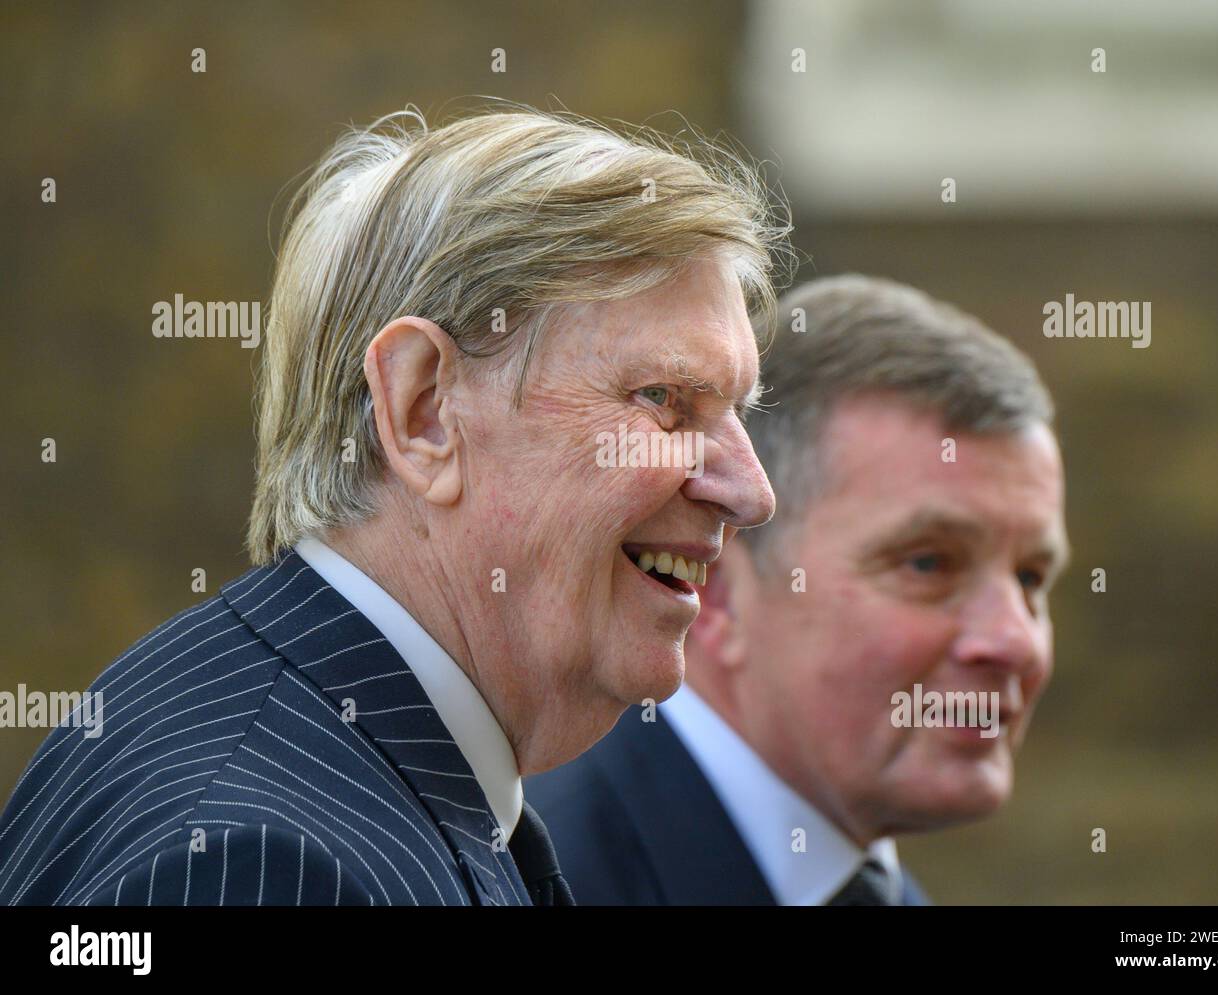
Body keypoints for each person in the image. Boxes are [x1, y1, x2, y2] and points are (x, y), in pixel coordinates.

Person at [0, 105, 784, 906]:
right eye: (665, 400)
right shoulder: (268, 863)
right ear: (423, 411)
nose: (751, 493)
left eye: (738, 412)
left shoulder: (294, 760)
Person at [529, 274, 1070, 905]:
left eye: (1030, 577)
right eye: (929, 565)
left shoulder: (868, 886)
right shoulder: (535, 878)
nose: (1015, 641)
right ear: (721, 592)